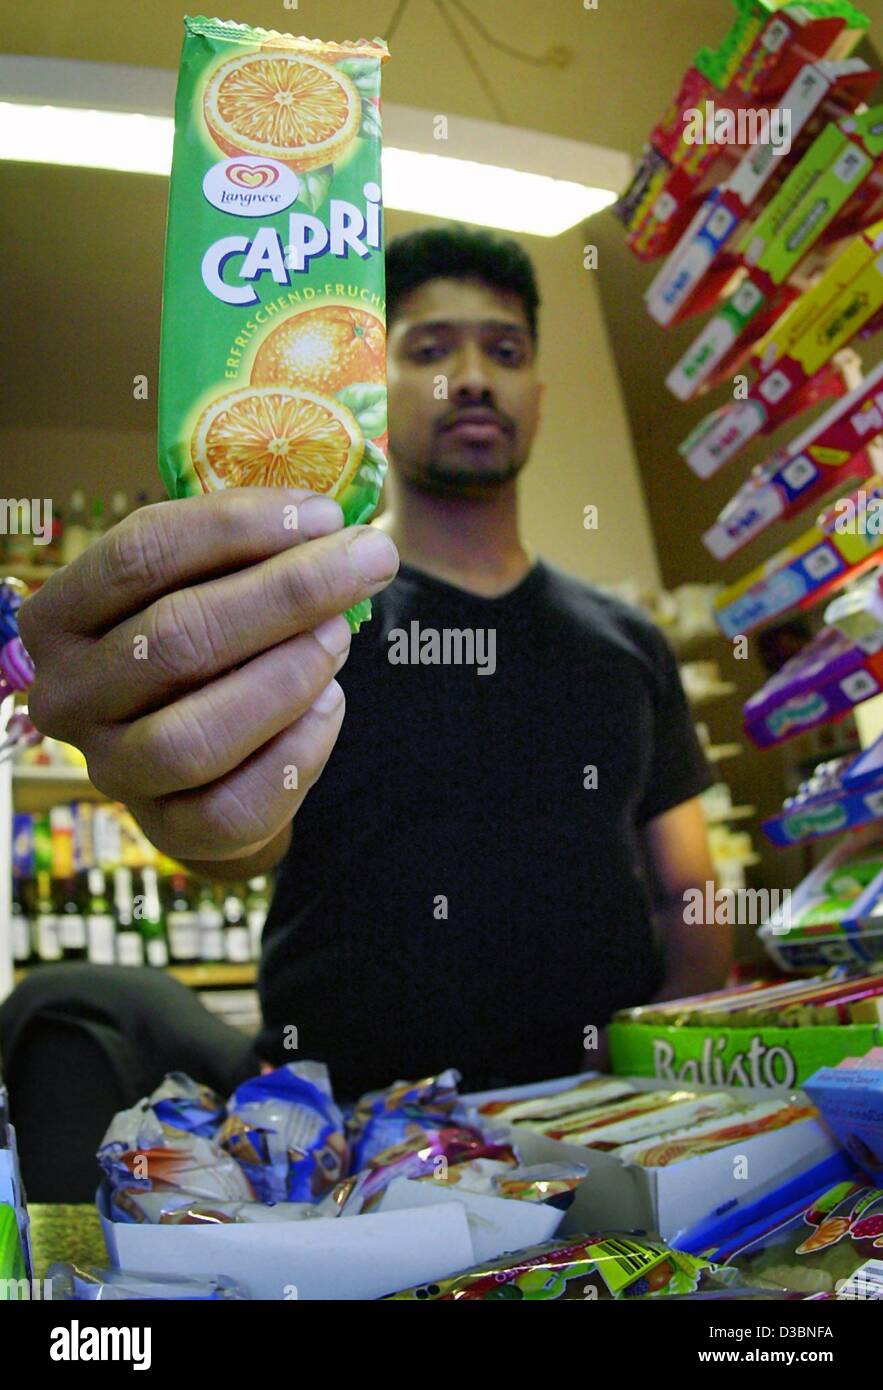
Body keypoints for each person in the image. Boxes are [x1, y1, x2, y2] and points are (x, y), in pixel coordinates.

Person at [0, 226, 728, 1199]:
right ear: (376, 393)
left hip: (586, 1135)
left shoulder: (625, 640)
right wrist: (181, 782)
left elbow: (690, 891)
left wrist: (662, 1093)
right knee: (62, 1006)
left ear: (538, 396)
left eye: (504, 351)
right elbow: (236, 836)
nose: (471, 377)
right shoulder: (308, 615)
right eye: (428, 350)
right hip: (339, 1144)